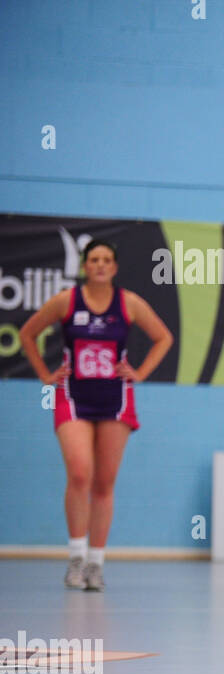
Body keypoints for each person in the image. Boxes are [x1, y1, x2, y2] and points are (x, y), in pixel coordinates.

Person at [17, 239, 173, 590]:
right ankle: (75, 557)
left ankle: (95, 564)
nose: (100, 265)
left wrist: (141, 372)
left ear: (115, 267)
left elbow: (163, 337)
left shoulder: (129, 303)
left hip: (115, 399)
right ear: (84, 266)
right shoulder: (66, 301)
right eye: (93, 259)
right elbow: (28, 333)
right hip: (74, 397)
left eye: (106, 260)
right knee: (80, 472)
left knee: (104, 482)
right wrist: (45, 374)